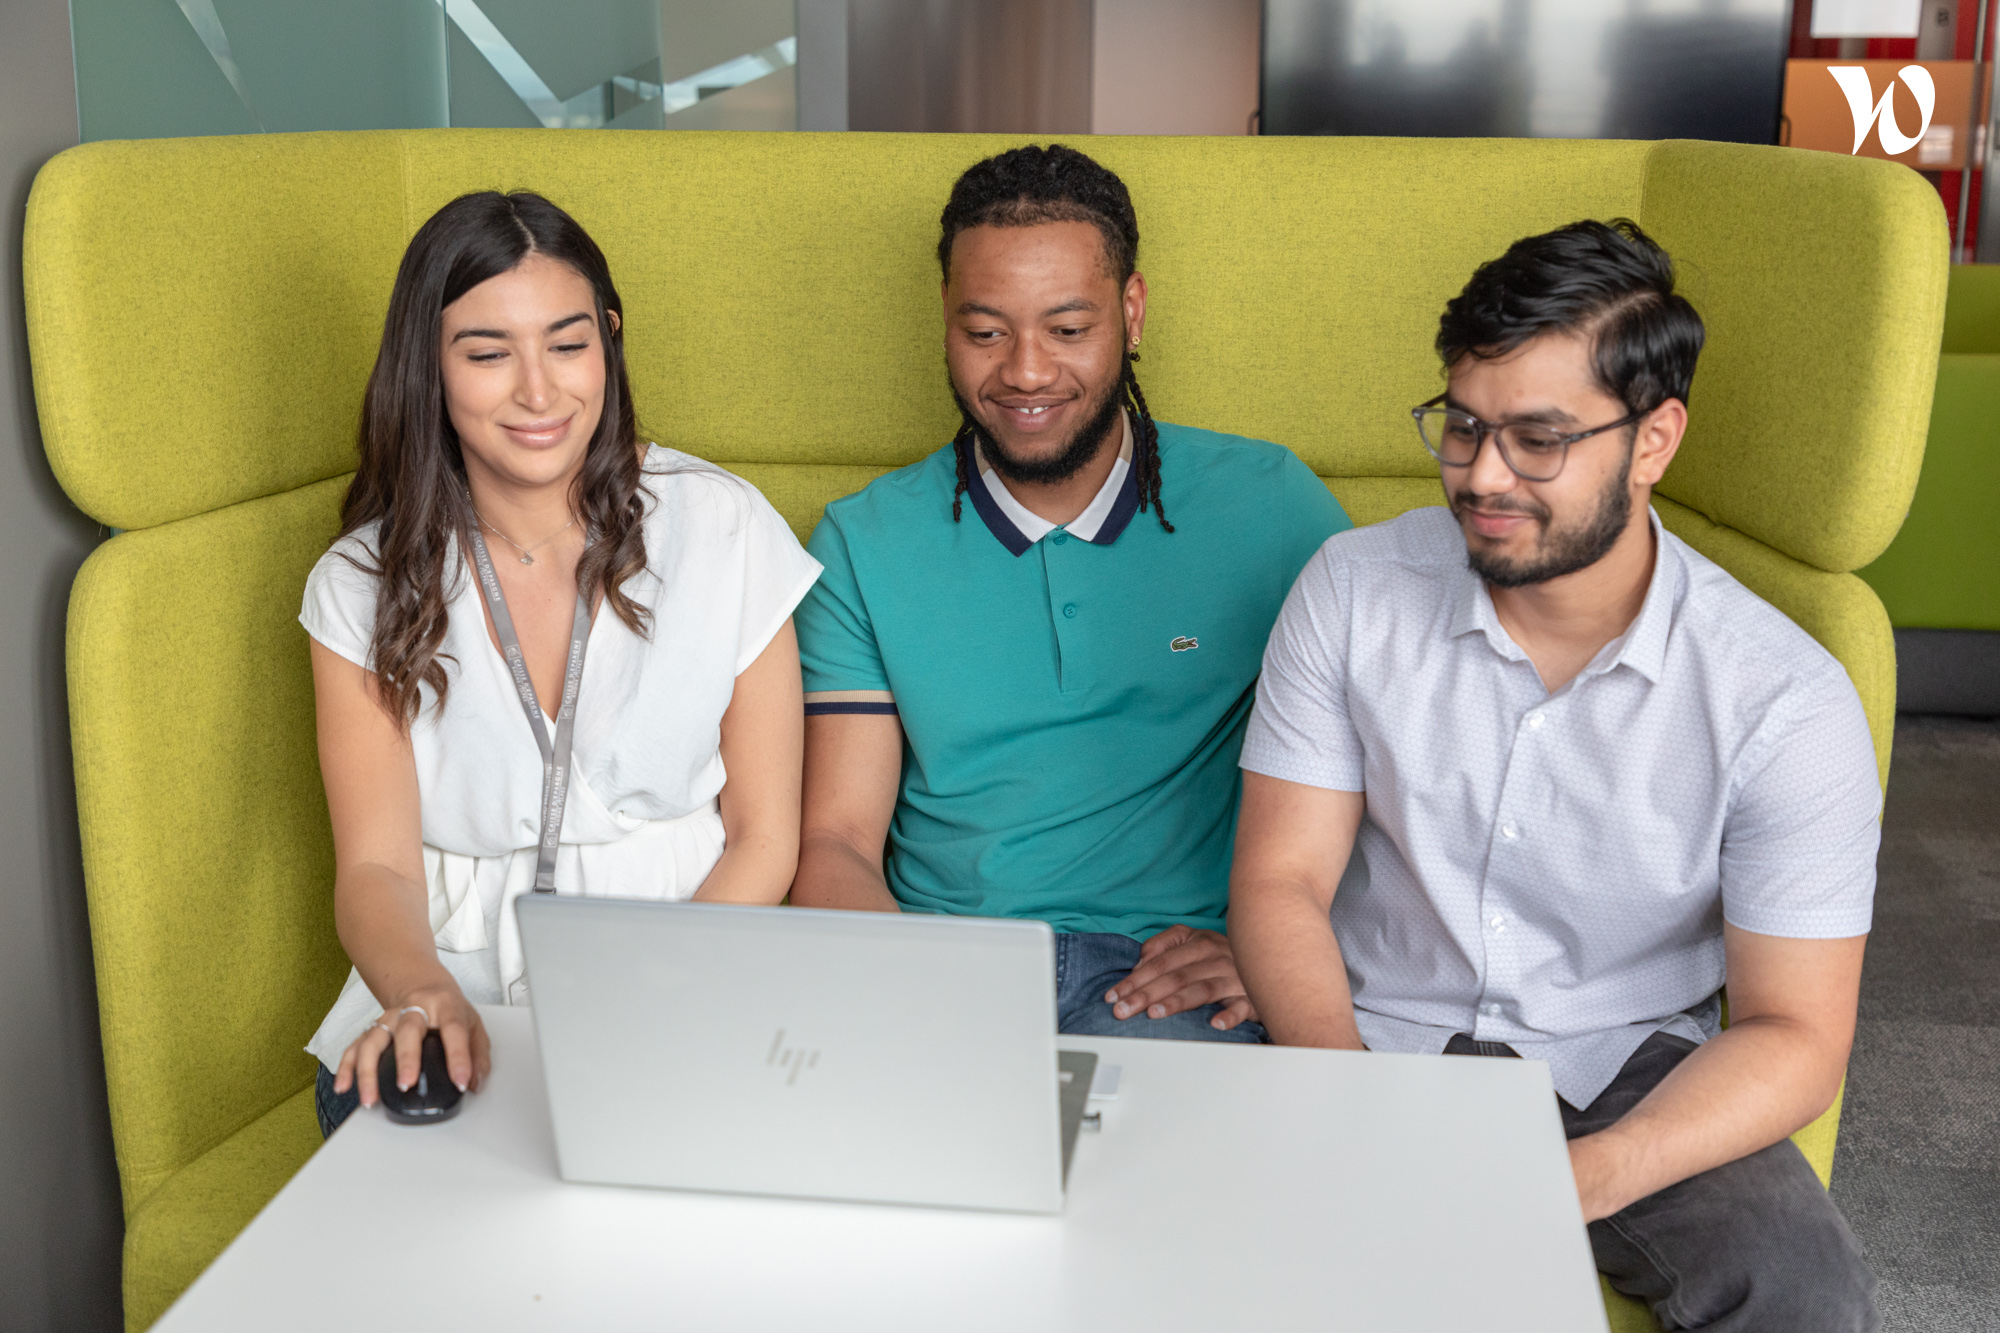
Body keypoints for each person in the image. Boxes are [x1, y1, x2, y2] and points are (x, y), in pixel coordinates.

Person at [1229, 219, 1880, 1328]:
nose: (1482, 474)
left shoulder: (1783, 699)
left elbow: (1794, 1033)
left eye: (1537, 439)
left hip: (1619, 1066)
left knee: (1799, 1285)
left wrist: (1591, 1175)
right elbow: (1280, 880)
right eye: (1462, 427)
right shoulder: (1348, 589)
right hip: (1366, 1026)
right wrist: (1339, 1101)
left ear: (1653, 438)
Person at [790, 144, 1351, 1041]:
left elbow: (1395, 780)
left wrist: (1277, 948)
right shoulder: (863, 540)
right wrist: (897, 993)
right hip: (939, 963)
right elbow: (837, 844)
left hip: (1172, 976)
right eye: (985, 332)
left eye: (1067, 328)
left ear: (1131, 314)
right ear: (944, 319)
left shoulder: (1272, 505)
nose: (1025, 372)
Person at [303, 192, 820, 1135]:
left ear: (610, 340)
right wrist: (422, 995)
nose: (539, 393)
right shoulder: (357, 581)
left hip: (693, 958)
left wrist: (648, 993)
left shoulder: (724, 526)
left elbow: (765, 837)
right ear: (430, 366)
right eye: (489, 353)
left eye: (568, 344)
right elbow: (374, 864)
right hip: (451, 977)